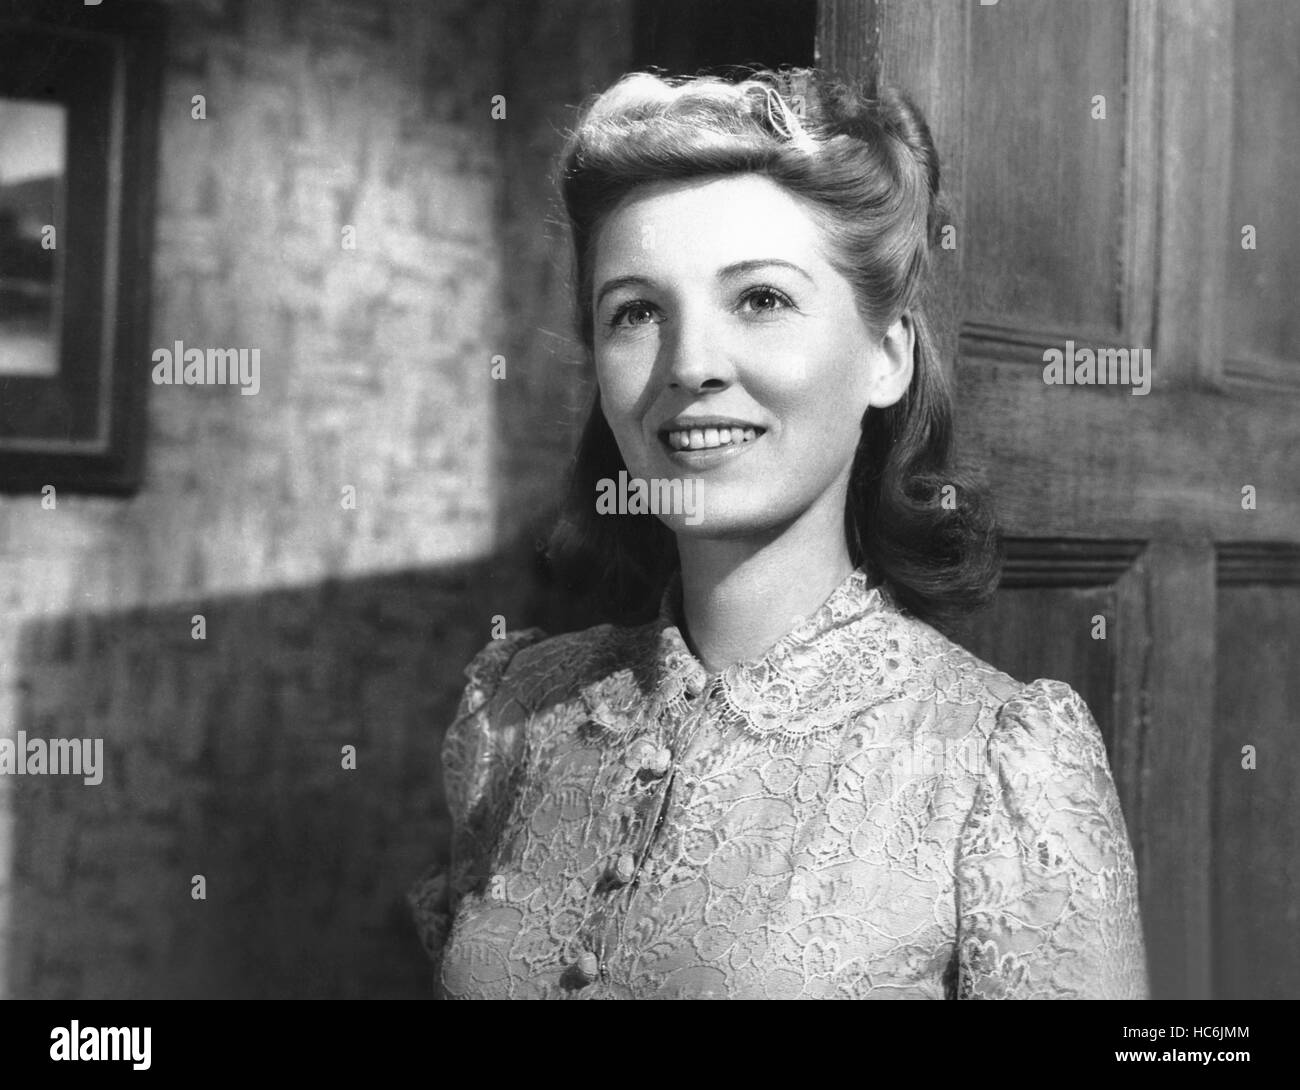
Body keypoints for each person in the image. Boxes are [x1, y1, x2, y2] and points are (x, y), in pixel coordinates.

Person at [408, 67, 1148, 999]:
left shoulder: (997, 761)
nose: (691, 366)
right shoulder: (517, 714)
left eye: (760, 299)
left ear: (886, 357)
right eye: (637, 312)